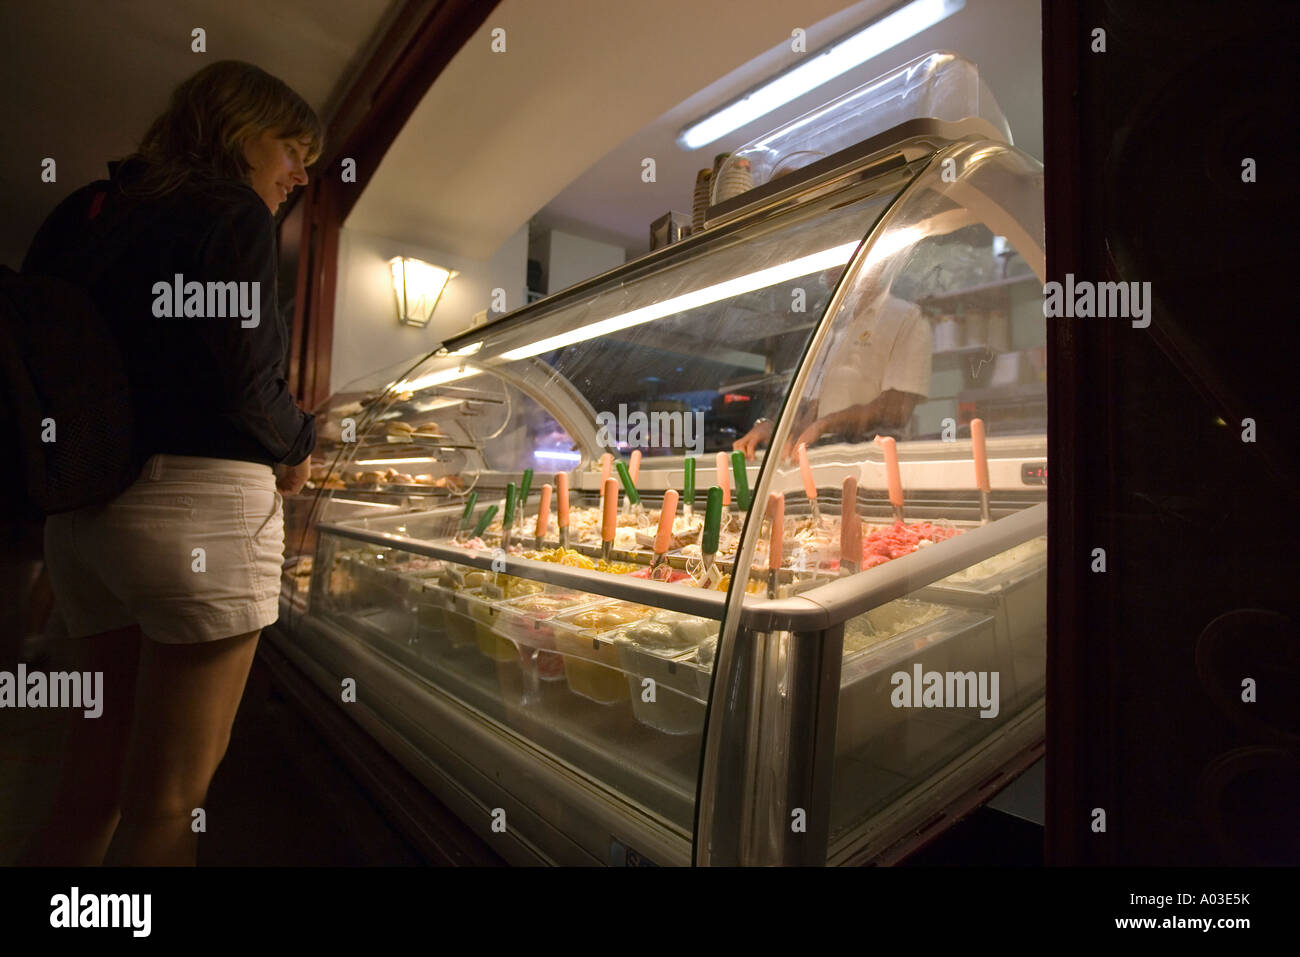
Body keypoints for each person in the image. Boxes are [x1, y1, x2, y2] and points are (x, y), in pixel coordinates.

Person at [17, 61, 321, 866]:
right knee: (166, 807)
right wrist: (301, 443)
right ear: (238, 127)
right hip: (197, 516)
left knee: (90, 790)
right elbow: (247, 380)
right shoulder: (232, 211)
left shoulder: (81, 212)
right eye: (292, 149)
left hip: (83, 524)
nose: (298, 175)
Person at [733, 286, 932, 461]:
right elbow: (811, 405)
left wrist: (824, 425)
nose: (830, 273)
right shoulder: (831, 326)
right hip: (819, 461)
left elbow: (896, 409)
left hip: (873, 464)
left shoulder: (905, 316)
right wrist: (774, 428)